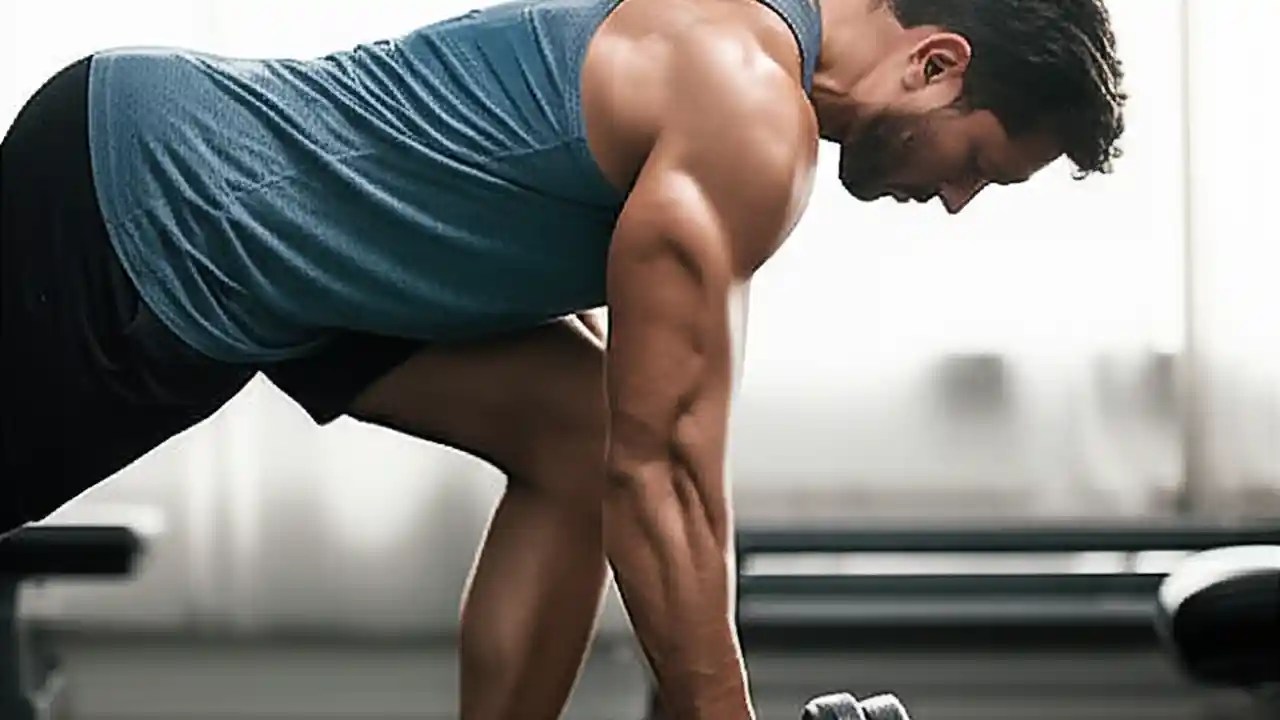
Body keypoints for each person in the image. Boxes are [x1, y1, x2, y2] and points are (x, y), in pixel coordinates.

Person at [0, 0, 1126, 717]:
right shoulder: (746, 111)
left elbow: (636, 447)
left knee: (575, 427)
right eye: (980, 163)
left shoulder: (740, 49)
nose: (955, 201)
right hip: (166, 199)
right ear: (934, 64)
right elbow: (668, 474)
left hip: (310, 247)